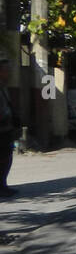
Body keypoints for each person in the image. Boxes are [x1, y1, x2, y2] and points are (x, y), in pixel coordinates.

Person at [0, 54, 17, 198]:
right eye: (7, 70)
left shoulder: (4, 87)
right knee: (4, 157)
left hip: (6, 128)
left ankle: (3, 185)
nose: (9, 73)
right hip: (2, 128)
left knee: (7, 156)